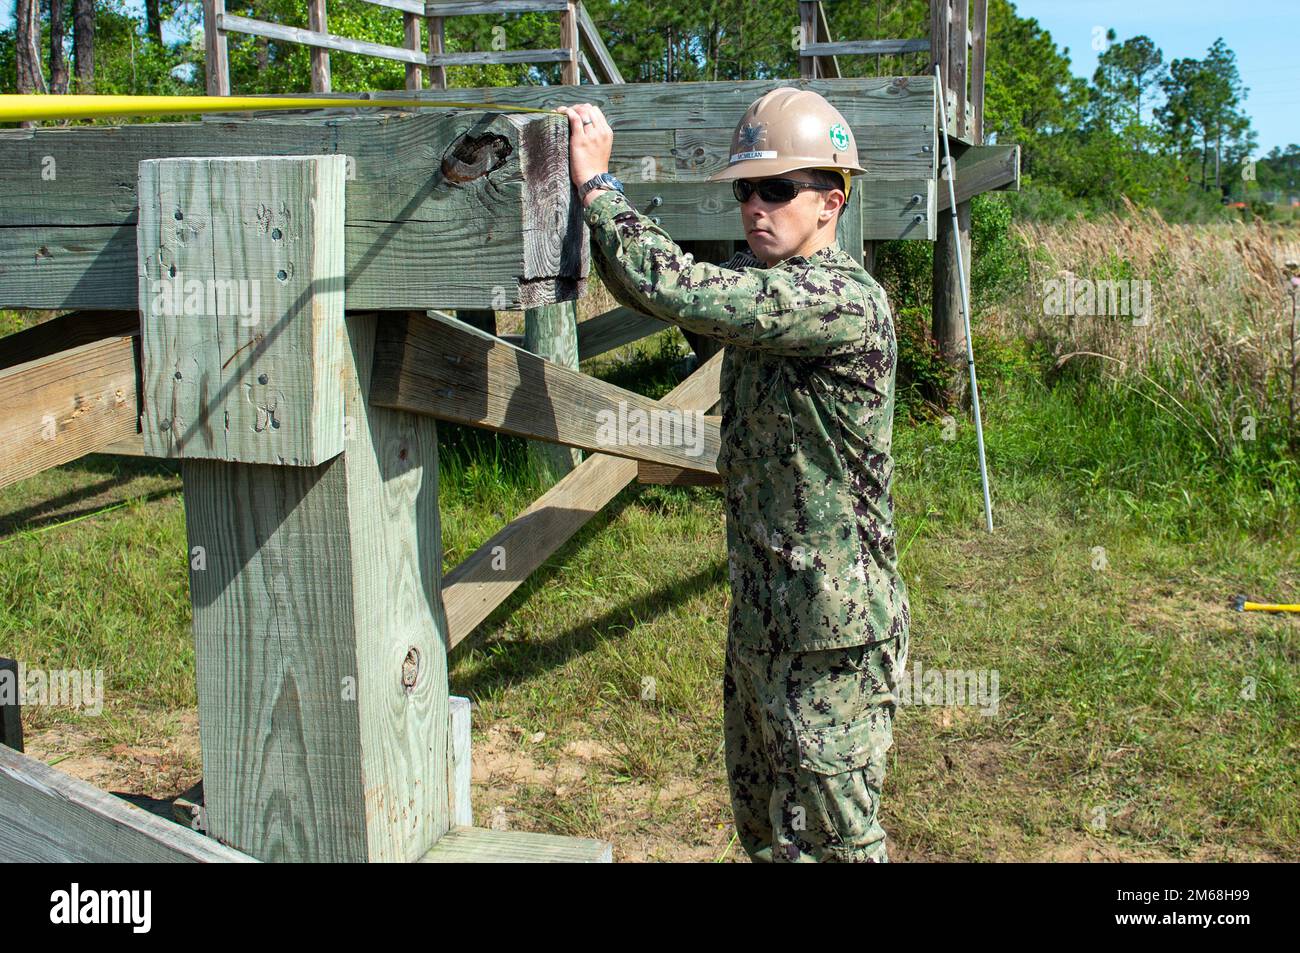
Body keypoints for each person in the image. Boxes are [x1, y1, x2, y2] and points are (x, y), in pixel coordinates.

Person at [556, 87, 910, 863]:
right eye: (746, 188)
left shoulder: (837, 299)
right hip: (764, 617)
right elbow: (653, 288)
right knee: (769, 834)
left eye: (778, 189)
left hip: (830, 634)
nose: (755, 205)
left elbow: (679, 285)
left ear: (831, 201)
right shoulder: (769, 288)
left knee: (837, 843)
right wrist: (595, 215)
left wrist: (598, 186)